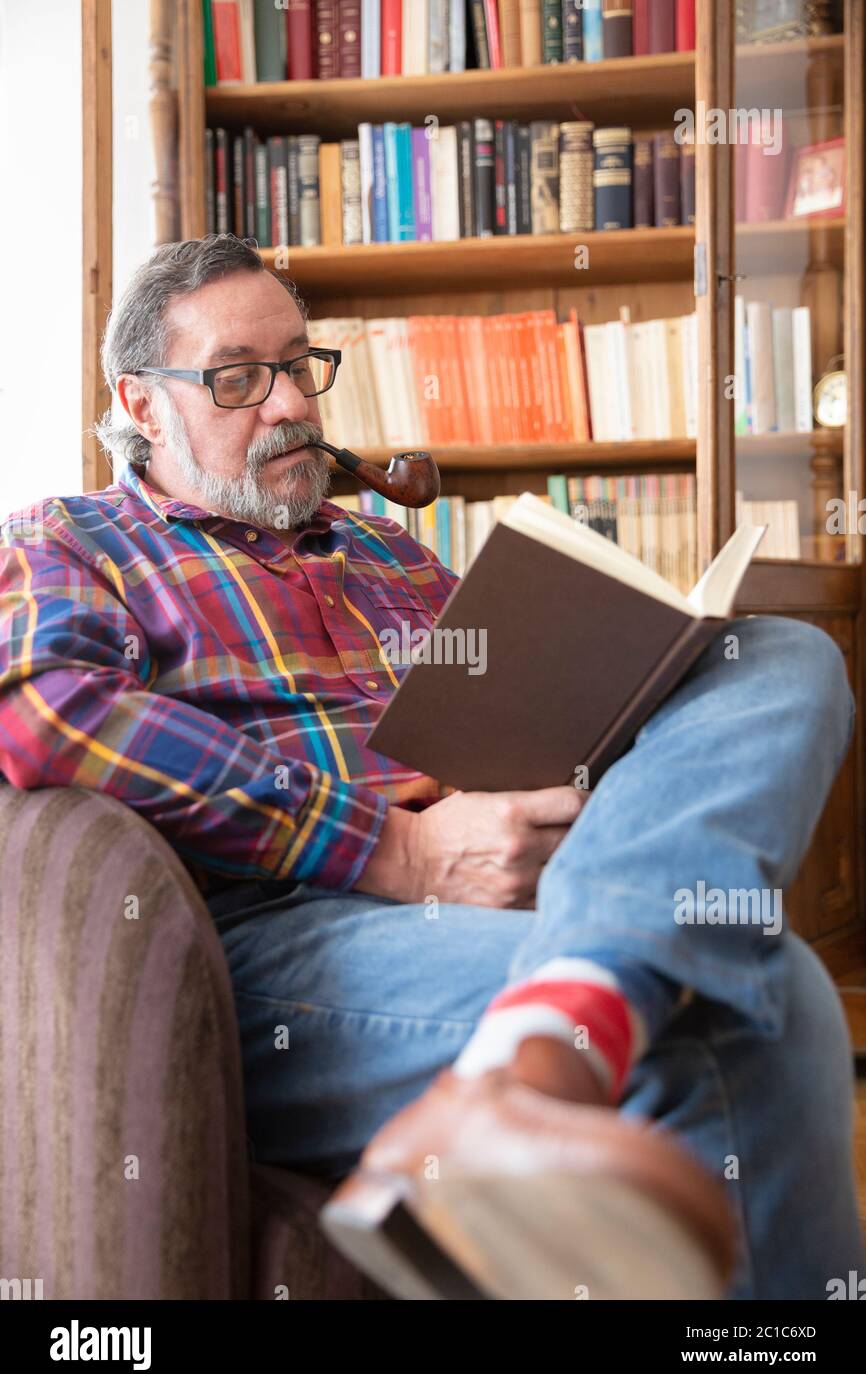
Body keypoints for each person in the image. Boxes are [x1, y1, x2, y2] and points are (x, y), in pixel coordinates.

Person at [0, 234, 862, 1300]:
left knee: (774, 650)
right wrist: (395, 848)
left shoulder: (391, 552)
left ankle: (555, 1015)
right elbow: (52, 717)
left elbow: (519, 709)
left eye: (300, 366)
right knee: (752, 993)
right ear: (140, 402)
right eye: (237, 377)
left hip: (522, 887)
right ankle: (571, 1022)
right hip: (284, 941)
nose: (288, 407)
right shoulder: (69, 540)